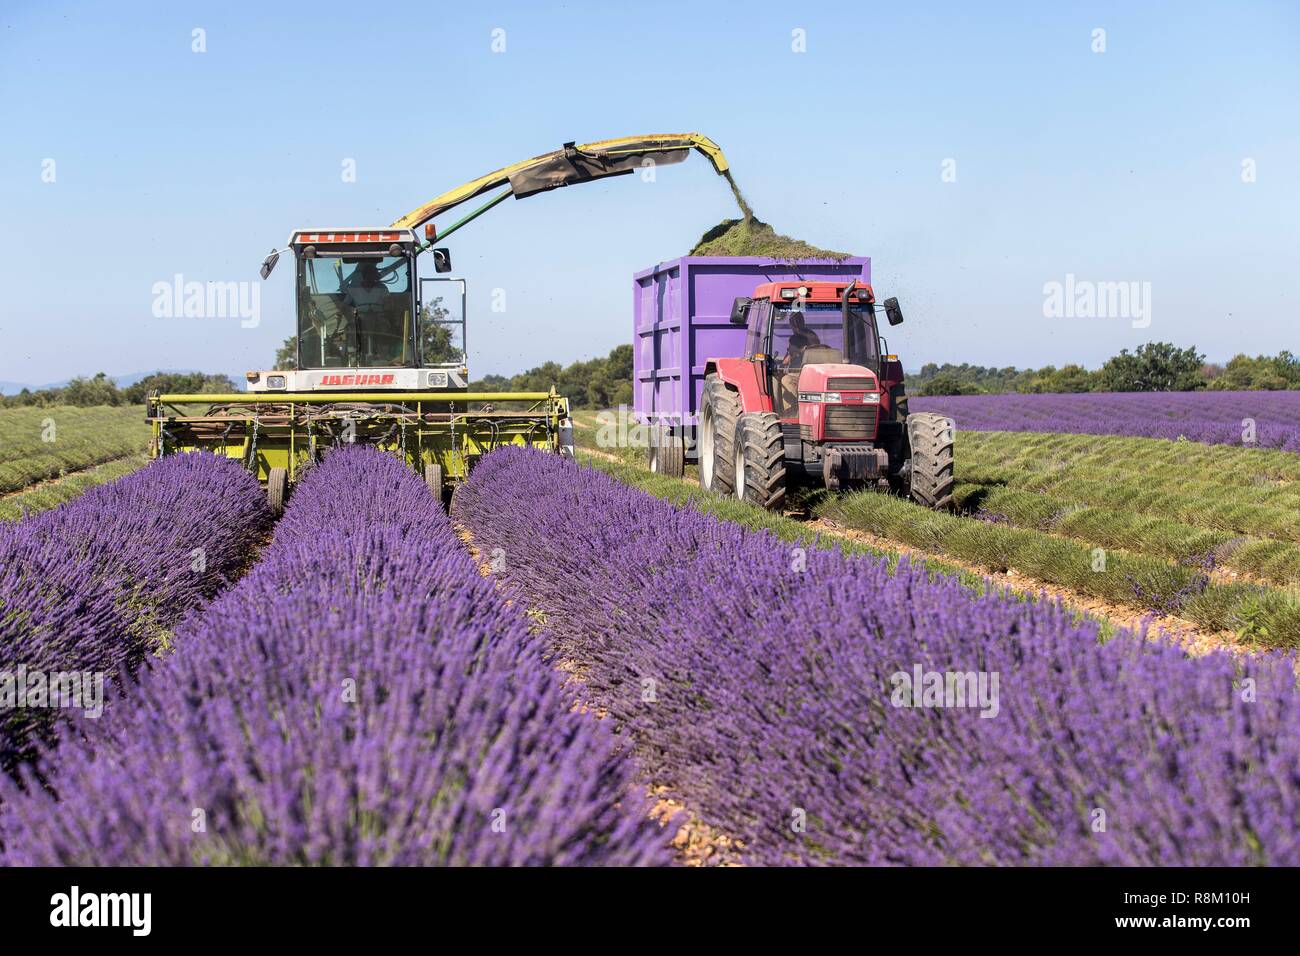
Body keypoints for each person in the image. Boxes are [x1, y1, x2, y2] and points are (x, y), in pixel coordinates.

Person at [779, 311, 822, 416]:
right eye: (793, 323)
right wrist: (781, 365)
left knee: (786, 380)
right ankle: (789, 411)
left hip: (809, 373)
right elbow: (789, 355)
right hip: (795, 372)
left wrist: (800, 350)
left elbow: (815, 347)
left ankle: (797, 409)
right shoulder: (793, 339)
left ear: (801, 322)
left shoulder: (811, 336)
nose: (794, 325)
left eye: (797, 322)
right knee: (781, 379)